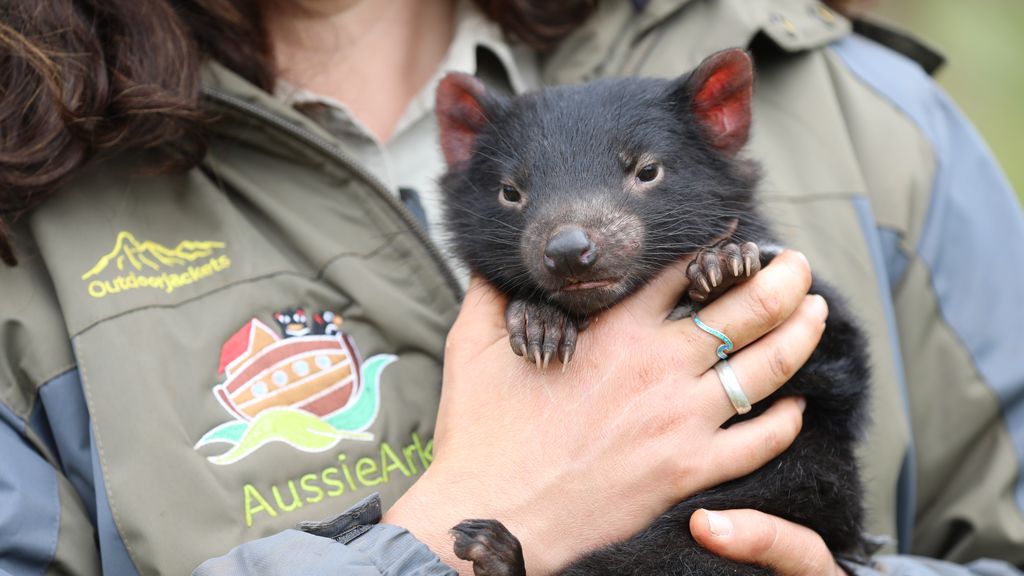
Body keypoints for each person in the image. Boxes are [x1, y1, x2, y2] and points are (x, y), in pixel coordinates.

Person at [0, 1, 1021, 575]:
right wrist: (445, 530)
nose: (570, 237)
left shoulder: (857, 107)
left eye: (637, 177)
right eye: (523, 199)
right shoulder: (34, 206)